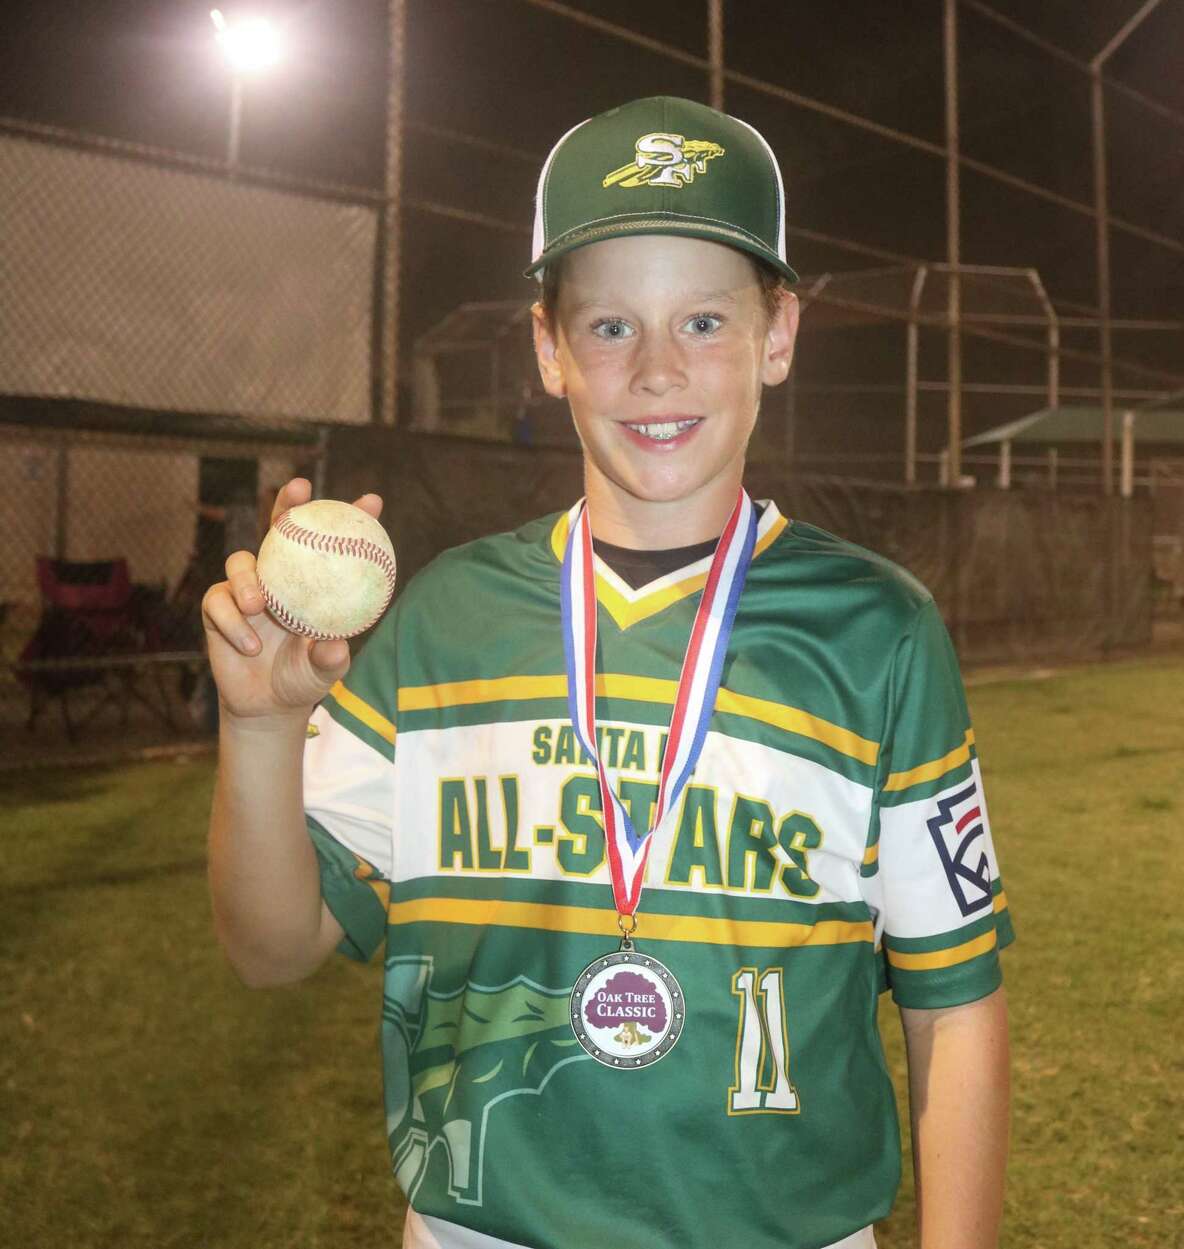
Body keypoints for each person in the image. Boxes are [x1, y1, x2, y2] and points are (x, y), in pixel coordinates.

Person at [204, 97, 1013, 1249]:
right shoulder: (447, 623)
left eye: (704, 321)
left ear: (779, 333)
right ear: (549, 348)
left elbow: (956, 1005)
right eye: (611, 326)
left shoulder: (878, 630)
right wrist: (260, 728)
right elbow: (270, 945)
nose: (658, 370)